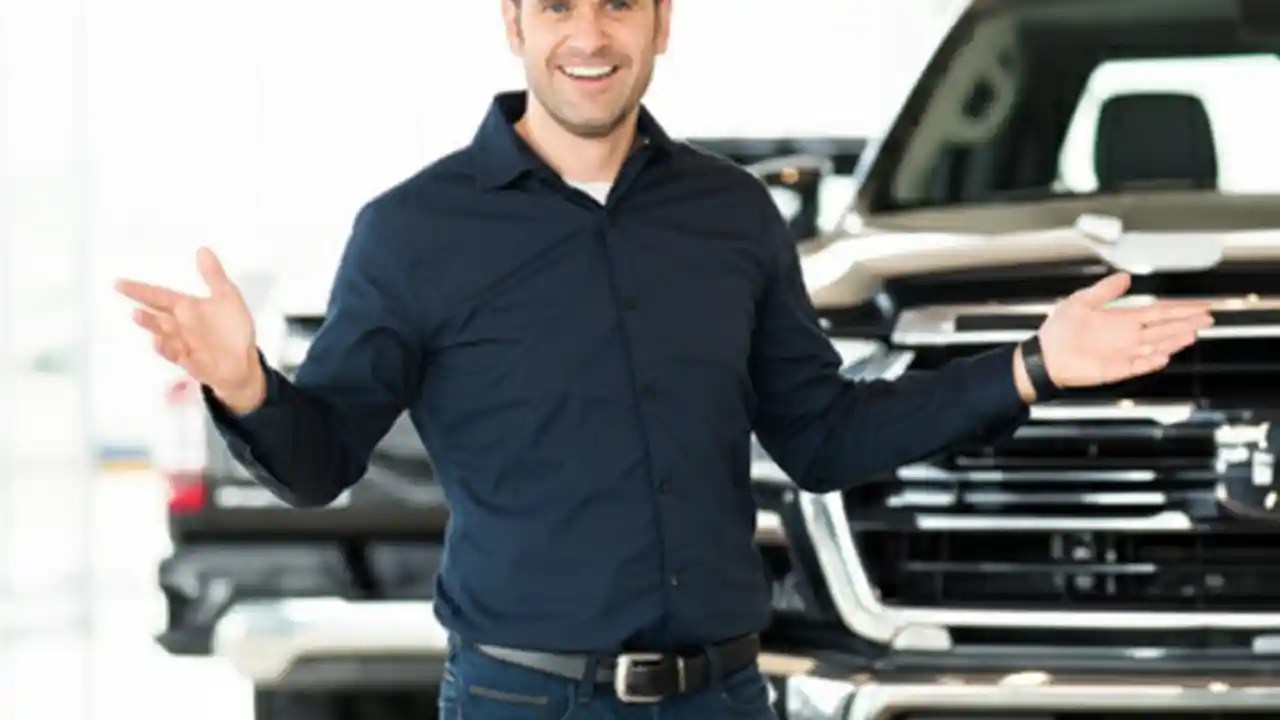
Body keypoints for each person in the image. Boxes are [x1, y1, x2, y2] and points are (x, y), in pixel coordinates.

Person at [116, 1, 1215, 717]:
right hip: (522, 703)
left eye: (617, 6)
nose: (587, 34)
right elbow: (320, 463)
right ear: (511, 21)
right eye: (556, 6)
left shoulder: (732, 219)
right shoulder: (413, 232)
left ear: (661, 22)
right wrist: (244, 379)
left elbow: (822, 436)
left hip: (723, 697)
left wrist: (1026, 365)